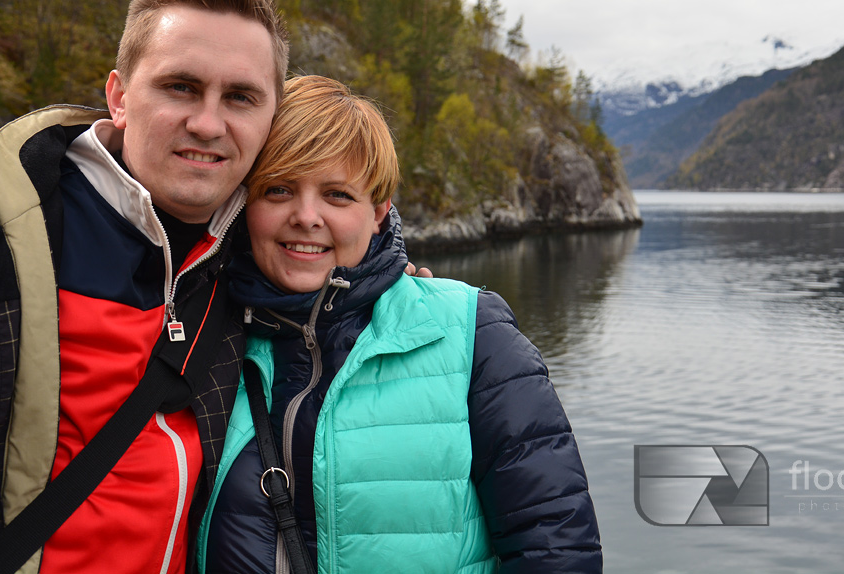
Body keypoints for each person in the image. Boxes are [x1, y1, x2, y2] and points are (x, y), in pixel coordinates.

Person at [0, 0, 288, 573]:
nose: (208, 123)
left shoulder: (246, 259)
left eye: (240, 97)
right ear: (119, 97)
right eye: (180, 86)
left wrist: (386, 282)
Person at [197, 75, 603, 573]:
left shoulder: (473, 332)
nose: (306, 216)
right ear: (243, 203)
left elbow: (554, 545)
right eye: (278, 189)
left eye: (338, 195)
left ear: (379, 211)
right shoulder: (200, 331)